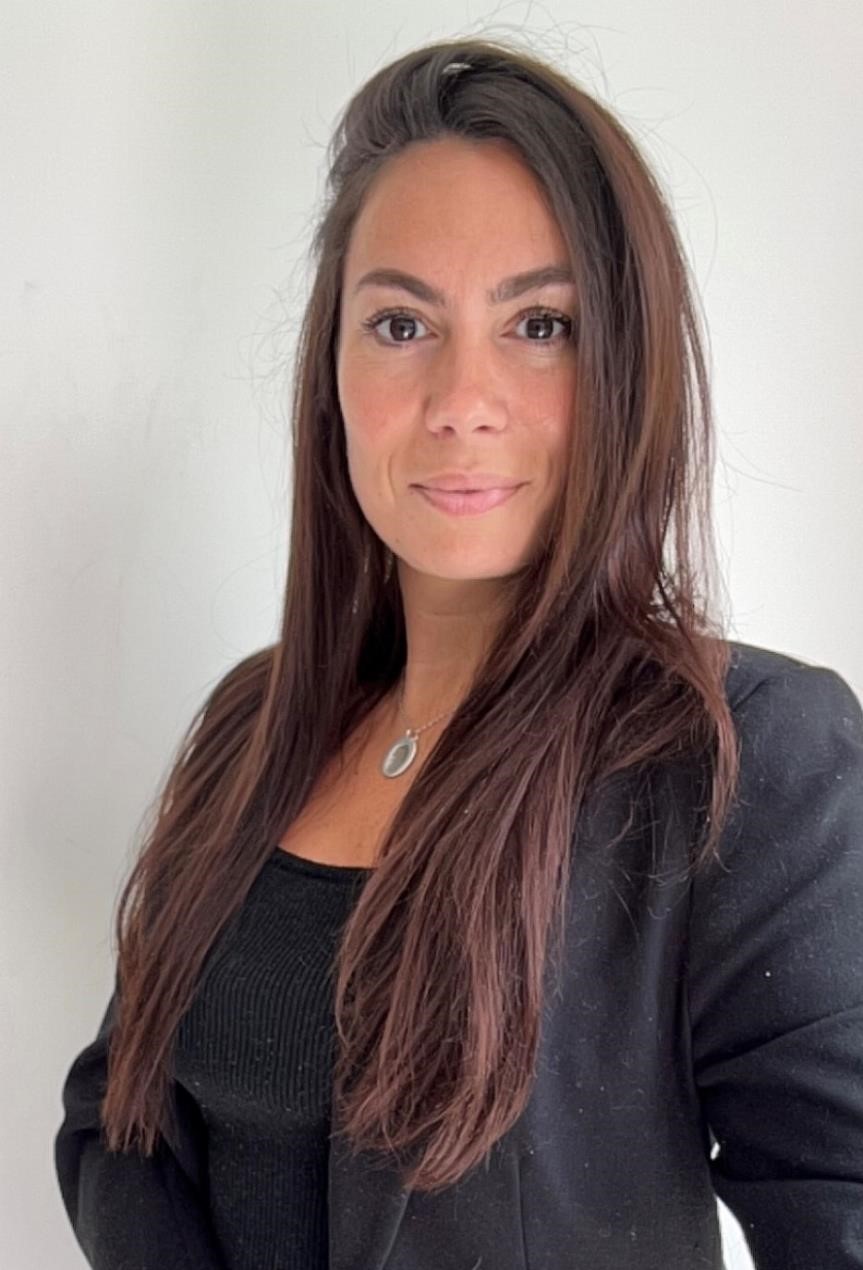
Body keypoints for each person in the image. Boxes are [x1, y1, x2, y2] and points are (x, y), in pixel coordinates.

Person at [53, 35, 863, 1270]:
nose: (459, 401)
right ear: (330, 371)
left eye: (539, 324)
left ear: (626, 365)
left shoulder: (743, 761)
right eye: (400, 324)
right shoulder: (254, 724)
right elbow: (117, 1117)